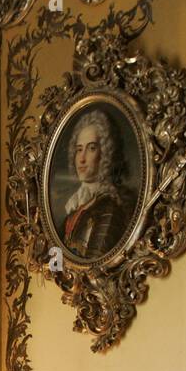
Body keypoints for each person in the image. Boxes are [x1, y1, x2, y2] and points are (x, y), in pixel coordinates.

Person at [60, 108, 137, 260]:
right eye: (79, 149)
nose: (82, 159)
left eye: (91, 148)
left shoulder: (110, 206)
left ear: (106, 153)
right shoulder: (76, 204)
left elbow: (96, 261)